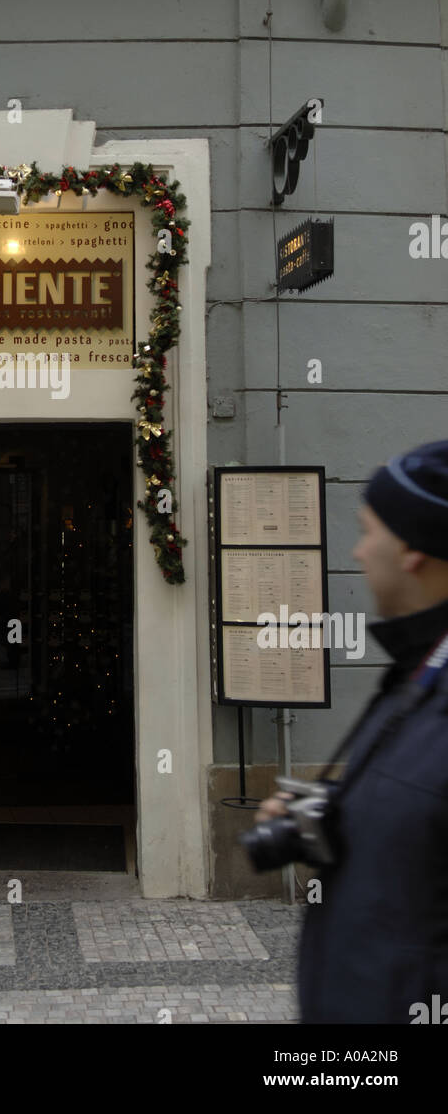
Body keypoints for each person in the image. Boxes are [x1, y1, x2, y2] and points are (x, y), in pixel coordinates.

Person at [254, 439, 448, 1024]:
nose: (360, 552)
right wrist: (333, 814)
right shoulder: (415, 669)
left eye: (369, 531)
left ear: (413, 547)